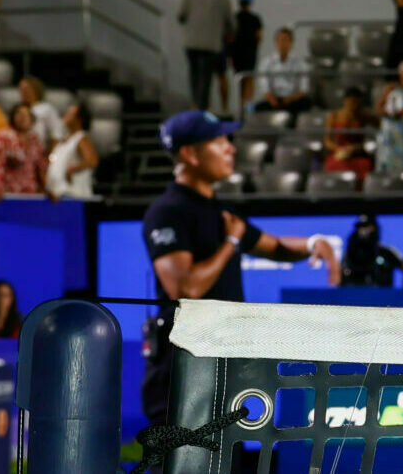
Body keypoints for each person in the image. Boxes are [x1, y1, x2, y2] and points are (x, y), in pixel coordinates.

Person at [140, 110, 340, 426]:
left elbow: (275, 247)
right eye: (219, 141)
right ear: (190, 154)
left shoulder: (220, 210)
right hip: (183, 365)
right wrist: (231, 243)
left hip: (223, 358)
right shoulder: (167, 212)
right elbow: (186, 288)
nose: (231, 148)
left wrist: (315, 242)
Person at [178, 0, 231, 112]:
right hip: (211, 44)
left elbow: (181, 16)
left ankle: (195, 104)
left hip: (191, 42)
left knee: (194, 75)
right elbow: (231, 23)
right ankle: (202, 108)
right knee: (205, 78)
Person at [0, 102, 49, 200]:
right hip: (7, 195)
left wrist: (47, 188)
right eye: (19, 114)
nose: (23, 118)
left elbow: (41, 166)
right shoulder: (3, 136)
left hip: (30, 195)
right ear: (13, 117)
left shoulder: (34, 139)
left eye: (27, 115)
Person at [342, 215, 403, 287]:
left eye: (366, 226)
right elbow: (338, 275)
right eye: (360, 227)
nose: (363, 230)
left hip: (383, 296)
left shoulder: (387, 251)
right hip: (356, 295)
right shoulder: (349, 254)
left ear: (375, 228)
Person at [251, 27, 311, 113]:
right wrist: (272, 100)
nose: (282, 43)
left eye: (285, 40)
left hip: (293, 100)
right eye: (280, 40)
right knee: (259, 108)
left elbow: (303, 89)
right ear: (275, 42)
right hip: (274, 99)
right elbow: (264, 88)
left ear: (291, 43)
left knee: (305, 103)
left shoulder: (301, 63)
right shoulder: (266, 62)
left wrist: (289, 99)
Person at [46, 104, 99, 200]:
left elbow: (92, 160)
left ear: (79, 119)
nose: (65, 116)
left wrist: (73, 169)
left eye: (70, 114)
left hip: (74, 194)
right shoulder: (64, 139)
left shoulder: (81, 138)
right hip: (57, 194)